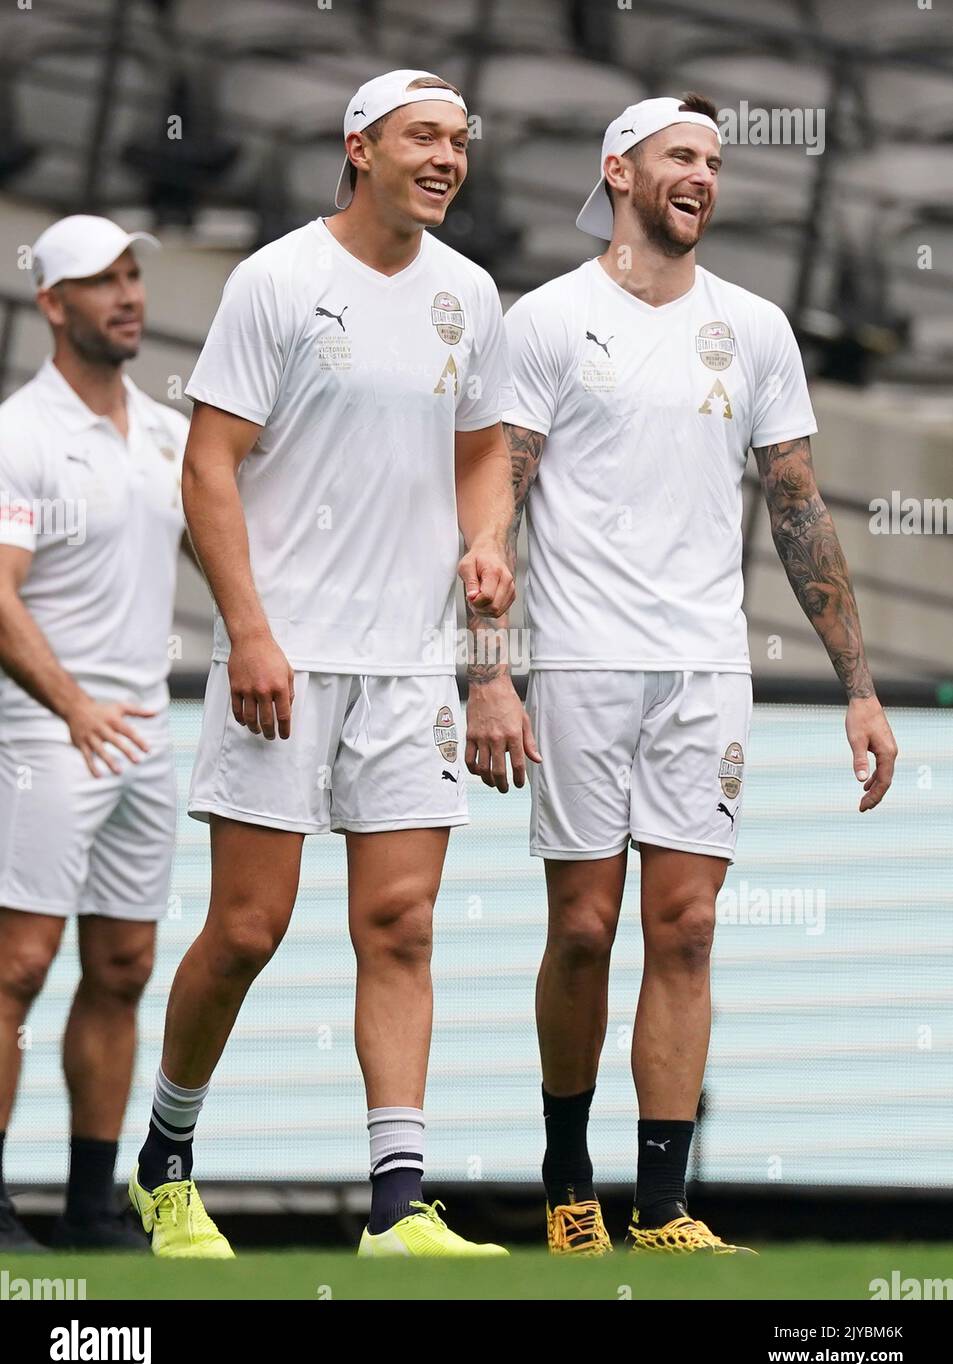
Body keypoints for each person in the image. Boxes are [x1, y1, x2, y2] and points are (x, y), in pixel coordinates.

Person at [129, 69, 529, 1259]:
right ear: (358, 148)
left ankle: (396, 1206)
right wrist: (248, 632)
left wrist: (488, 548)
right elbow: (207, 467)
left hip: (412, 669)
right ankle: (166, 1157)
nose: (449, 156)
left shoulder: (470, 293)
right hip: (285, 656)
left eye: (460, 140)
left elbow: (481, 453)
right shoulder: (279, 281)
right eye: (424, 136)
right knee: (248, 927)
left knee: (400, 925)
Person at [501, 95, 898, 1255]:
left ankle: (661, 1204)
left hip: (703, 671)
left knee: (684, 928)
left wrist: (858, 688)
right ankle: (567, 1182)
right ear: (618, 169)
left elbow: (796, 510)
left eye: (715, 162)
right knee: (582, 928)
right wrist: (482, 672)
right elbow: (494, 509)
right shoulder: (545, 321)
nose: (703, 176)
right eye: (681, 156)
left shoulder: (755, 328)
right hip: (575, 662)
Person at [0, 215, 188, 1250]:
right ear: (51, 304)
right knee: (17, 967)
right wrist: (72, 707)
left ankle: (87, 1204)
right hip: (39, 737)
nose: (124, 294)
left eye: (130, 274)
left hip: (144, 737)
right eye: (97, 281)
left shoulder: (163, 433)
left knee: (120, 968)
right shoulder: (17, 433)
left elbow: (230, 555)